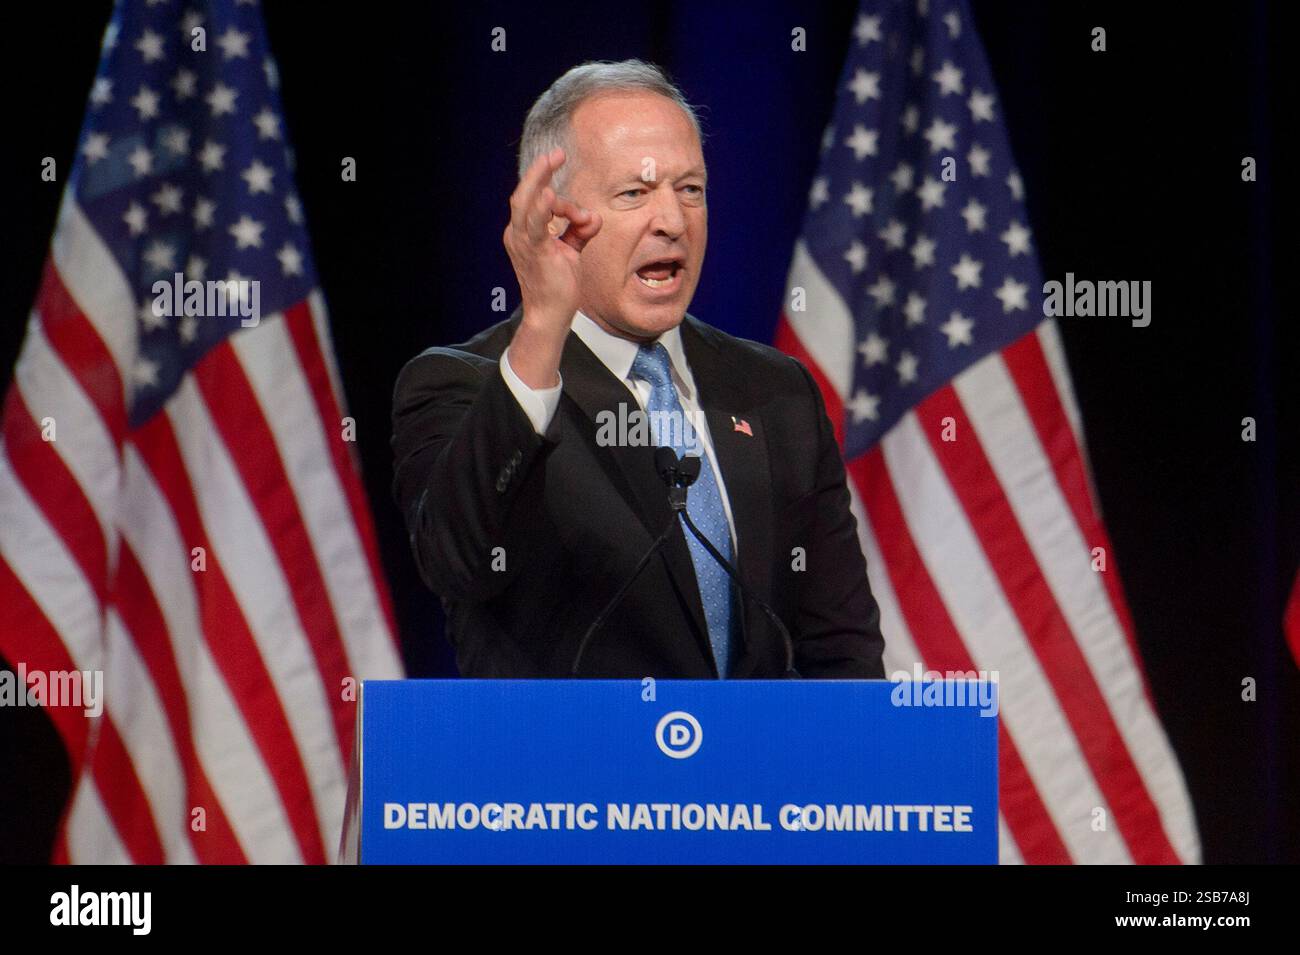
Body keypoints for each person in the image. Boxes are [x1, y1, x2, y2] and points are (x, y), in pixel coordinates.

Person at [391, 60, 885, 679]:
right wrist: (544, 323)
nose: (672, 221)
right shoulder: (462, 385)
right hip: (566, 772)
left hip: (757, 773)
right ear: (555, 220)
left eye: (690, 190)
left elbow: (844, 653)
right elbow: (457, 561)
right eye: (634, 193)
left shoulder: (775, 392)